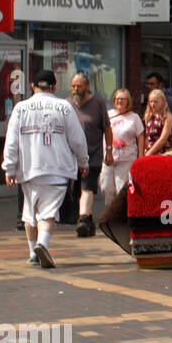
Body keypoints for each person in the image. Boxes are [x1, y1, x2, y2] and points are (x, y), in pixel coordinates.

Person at [1, 70, 88, 270]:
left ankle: (33, 252)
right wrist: (83, 162)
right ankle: (42, 244)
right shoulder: (64, 107)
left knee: (29, 212)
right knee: (48, 213)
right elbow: (77, 139)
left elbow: (11, 141)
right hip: (57, 169)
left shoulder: (21, 108)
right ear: (55, 87)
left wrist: (9, 168)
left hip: (29, 169)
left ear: (33, 86)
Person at [69, 72, 113, 238]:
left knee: (86, 188)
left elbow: (107, 128)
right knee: (76, 191)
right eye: (73, 86)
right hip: (71, 157)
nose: (75, 89)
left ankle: (83, 219)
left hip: (92, 156)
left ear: (87, 87)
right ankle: (89, 223)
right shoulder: (67, 105)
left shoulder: (98, 104)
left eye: (79, 86)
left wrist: (109, 150)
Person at [100, 88, 144, 206]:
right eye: (118, 99)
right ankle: (110, 210)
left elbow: (140, 137)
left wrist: (140, 157)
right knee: (106, 187)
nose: (120, 101)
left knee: (121, 189)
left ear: (128, 101)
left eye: (123, 99)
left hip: (126, 159)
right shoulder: (108, 114)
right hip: (108, 157)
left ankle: (118, 214)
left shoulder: (134, 118)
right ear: (114, 100)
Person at [144, 73, 172, 140]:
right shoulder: (149, 101)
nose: (149, 87)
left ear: (160, 85)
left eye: (152, 84)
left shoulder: (169, 100)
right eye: (148, 84)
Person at [143, 89, 172, 157]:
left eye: (156, 102)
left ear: (163, 102)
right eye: (151, 101)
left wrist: (149, 153)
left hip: (164, 152)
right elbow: (147, 137)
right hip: (149, 149)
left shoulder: (167, 116)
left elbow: (163, 139)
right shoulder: (148, 115)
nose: (153, 104)